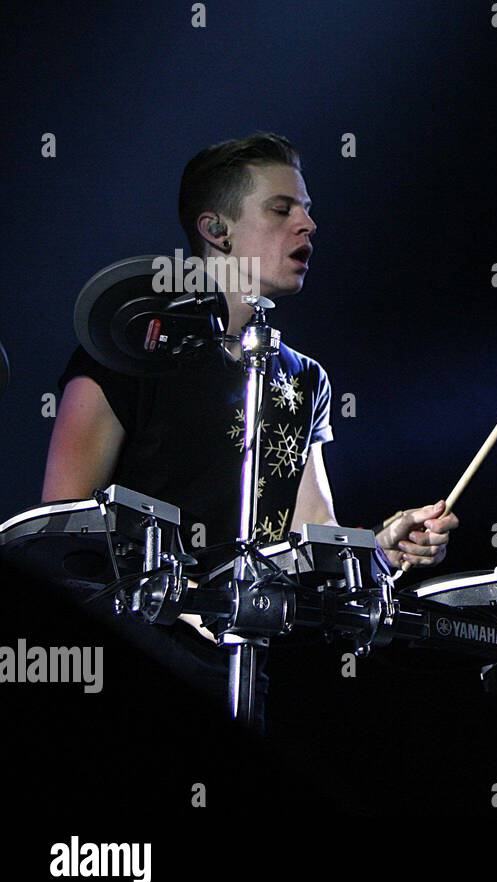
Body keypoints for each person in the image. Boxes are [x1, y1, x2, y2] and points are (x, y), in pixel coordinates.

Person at [41, 133, 459, 729]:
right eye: (282, 209)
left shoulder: (304, 378)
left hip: (238, 666)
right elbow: (59, 536)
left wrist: (381, 549)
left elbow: (313, 538)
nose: (309, 224)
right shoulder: (128, 348)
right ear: (216, 230)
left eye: (308, 209)